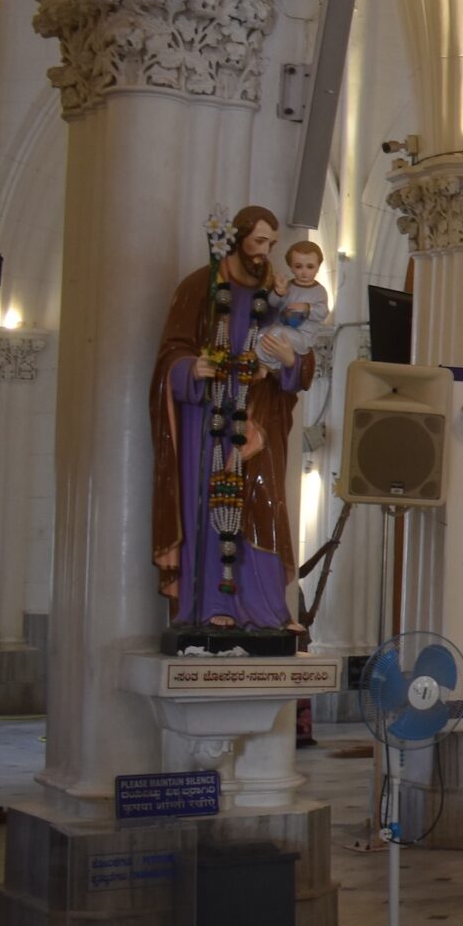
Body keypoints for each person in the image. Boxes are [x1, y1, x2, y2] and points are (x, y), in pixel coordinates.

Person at [150, 204, 311, 632]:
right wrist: (190, 368)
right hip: (208, 420)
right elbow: (171, 353)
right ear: (237, 239)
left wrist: (289, 361)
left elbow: (302, 353)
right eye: (258, 241)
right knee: (211, 508)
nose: (264, 252)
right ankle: (208, 607)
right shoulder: (200, 287)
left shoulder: (277, 295)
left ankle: (268, 611)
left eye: (271, 244)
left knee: (265, 506)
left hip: (259, 418)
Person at [259, 239, 330, 370]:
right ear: (291, 267)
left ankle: (267, 365)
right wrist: (278, 292)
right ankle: (260, 361)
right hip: (282, 326)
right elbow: (273, 303)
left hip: (303, 336)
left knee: (276, 333)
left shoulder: (319, 291)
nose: (304, 272)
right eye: (298, 266)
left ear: (318, 267)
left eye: (310, 267)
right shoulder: (288, 286)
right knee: (261, 334)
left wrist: (307, 307)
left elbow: (323, 312)